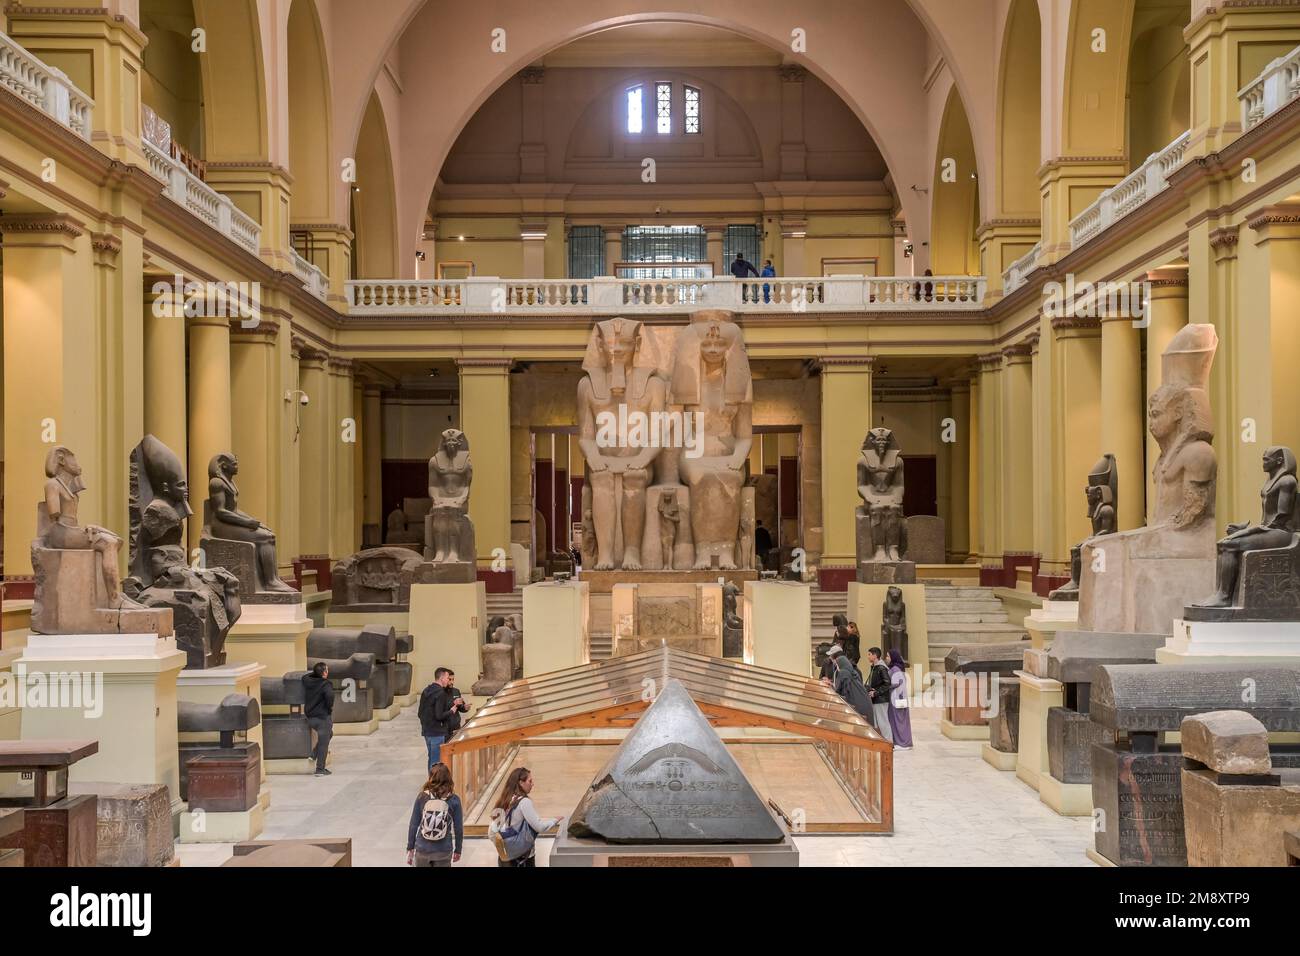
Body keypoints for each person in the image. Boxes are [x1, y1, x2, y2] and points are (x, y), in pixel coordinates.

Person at [489, 767, 561, 867]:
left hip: (505, 859)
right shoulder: (524, 802)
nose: (533, 784)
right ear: (521, 783)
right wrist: (555, 820)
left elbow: (491, 832)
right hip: (523, 859)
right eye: (530, 781)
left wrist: (506, 846)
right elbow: (539, 826)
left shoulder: (503, 800)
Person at [406, 762, 464, 867]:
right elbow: (458, 828)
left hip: (422, 849)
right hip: (443, 850)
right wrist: (458, 849)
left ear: (430, 778)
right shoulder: (454, 800)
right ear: (449, 779)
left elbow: (414, 824)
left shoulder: (422, 797)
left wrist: (410, 847)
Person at [417, 667, 468, 770]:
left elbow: (420, 713)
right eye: (447, 678)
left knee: (432, 759)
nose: (448, 680)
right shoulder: (440, 693)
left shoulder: (426, 690)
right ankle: (436, 784)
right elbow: (439, 715)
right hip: (437, 732)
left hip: (427, 731)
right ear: (442, 678)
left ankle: (431, 782)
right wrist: (452, 710)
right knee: (437, 762)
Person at [823, 644, 875, 728]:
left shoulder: (844, 673)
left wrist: (830, 685)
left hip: (858, 706)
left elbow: (840, 691)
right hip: (864, 704)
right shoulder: (850, 671)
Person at [302, 662, 334, 776]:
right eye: (326, 670)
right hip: (322, 718)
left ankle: (314, 754)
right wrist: (329, 709)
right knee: (324, 743)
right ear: (324, 673)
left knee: (329, 734)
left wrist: (317, 672)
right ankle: (320, 769)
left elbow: (305, 676)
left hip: (310, 718)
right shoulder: (326, 684)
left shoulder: (307, 680)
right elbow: (330, 698)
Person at [886, 648, 914, 749]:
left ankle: (903, 743)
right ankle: (899, 742)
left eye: (888, 656)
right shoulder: (895, 668)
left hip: (897, 700)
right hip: (897, 699)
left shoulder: (895, 669)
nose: (886, 658)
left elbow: (897, 684)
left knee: (899, 722)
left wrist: (885, 687)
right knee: (897, 721)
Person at [866, 647, 894, 743]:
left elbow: (887, 684)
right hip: (876, 699)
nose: (868, 657)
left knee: (883, 722)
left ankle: (889, 743)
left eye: (869, 654)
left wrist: (876, 692)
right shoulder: (875, 667)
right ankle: (882, 743)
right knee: (877, 722)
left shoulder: (881, 668)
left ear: (875, 655)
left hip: (881, 699)